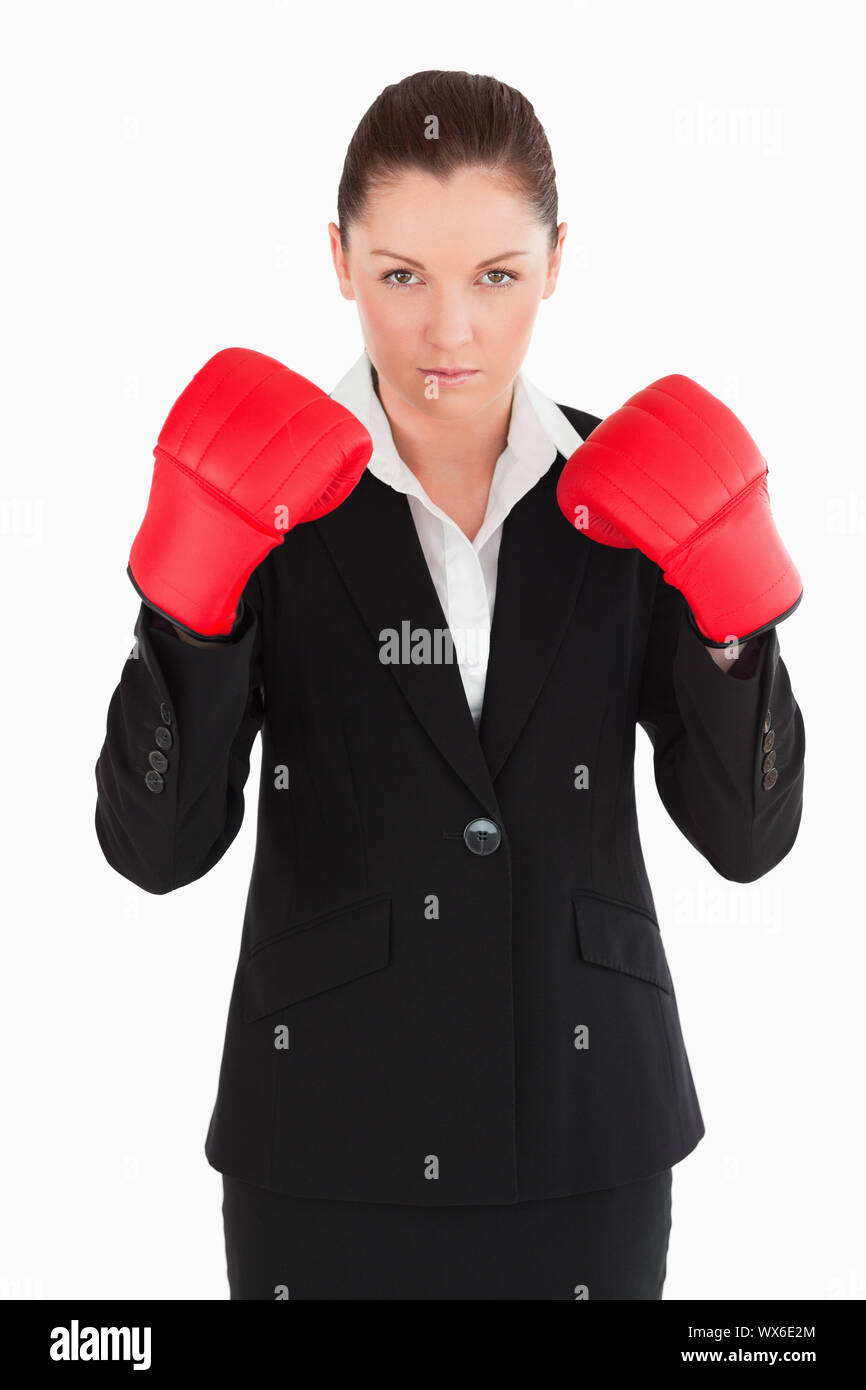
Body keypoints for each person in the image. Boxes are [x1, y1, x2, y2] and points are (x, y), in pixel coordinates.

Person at [94, 69, 806, 1300]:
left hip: (591, 1131)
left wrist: (733, 622)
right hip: (324, 1133)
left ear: (554, 259)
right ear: (338, 258)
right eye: (399, 274)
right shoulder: (262, 496)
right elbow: (155, 850)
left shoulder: (630, 493)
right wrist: (187, 615)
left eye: (495, 275)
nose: (448, 335)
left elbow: (746, 839)